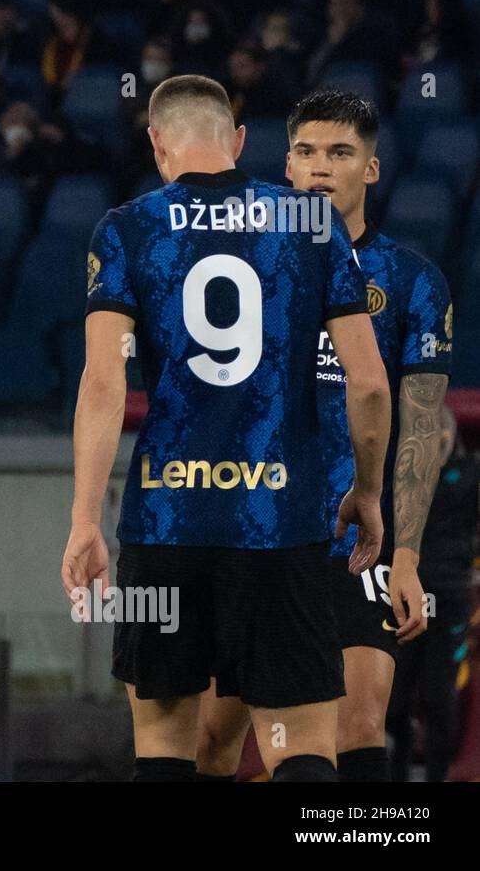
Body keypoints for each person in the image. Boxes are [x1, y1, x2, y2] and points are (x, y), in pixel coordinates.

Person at [62, 74, 390, 782]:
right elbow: (366, 383)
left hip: (166, 524)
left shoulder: (126, 228)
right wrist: (366, 491)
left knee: (166, 750)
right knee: (302, 746)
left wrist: (85, 517)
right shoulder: (312, 222)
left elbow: (102, 382)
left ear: (156, 144)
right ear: (239, 140)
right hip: (282, 522)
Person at [195, 91, 452, 782]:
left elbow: (420, 428)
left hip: (354, 547)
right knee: (212, 740)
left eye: (340, 153)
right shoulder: (239, 272)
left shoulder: (411, 282)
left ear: (371, 168)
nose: (320, 167)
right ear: (285, 165)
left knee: (359, 721)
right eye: (306, 152)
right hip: (249, 536)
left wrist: (405, 554)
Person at [387, 407, 478, 781]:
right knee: (393, 704)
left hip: (450, 599)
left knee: (440, 698)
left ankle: (439, 776)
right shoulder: (400, 480)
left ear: (446, 438)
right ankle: (393, 776)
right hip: (401, 600)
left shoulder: (472, 476)